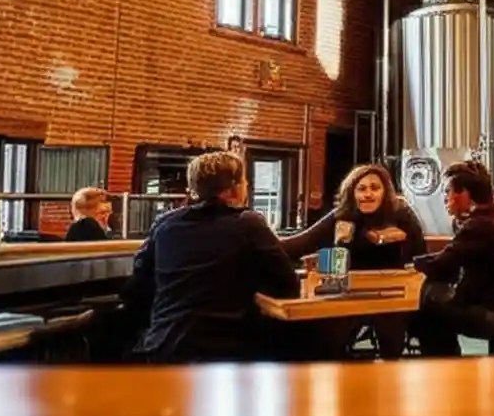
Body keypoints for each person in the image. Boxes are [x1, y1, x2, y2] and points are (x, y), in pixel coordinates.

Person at [121, 151, 298, 363]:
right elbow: (289, 284)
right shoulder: (248, 223)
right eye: (245, 181)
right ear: (234, 187)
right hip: (227, 354)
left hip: (162, 351)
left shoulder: (165, 224)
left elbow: (137, 287)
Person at [413, 163, 494, 354]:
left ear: (465, 194)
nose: (445, 199)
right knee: (438, 301)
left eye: (447, 192)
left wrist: (408, 266)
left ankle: (444, 367)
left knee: (429, 299)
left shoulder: (480, 225)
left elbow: (443, 262)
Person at [281, 164, 426, 270]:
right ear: (352, 194)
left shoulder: (401, 212)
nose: (368, 194)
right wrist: (263, 240)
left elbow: (419, 255)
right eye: (361, 189)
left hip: (397, 290)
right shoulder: (343, 215)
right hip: (352, 289)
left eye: (375, 188)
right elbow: (301, 243)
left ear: (385, 192)